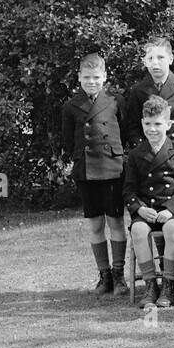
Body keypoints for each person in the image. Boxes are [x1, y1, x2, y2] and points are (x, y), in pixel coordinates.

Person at [61, 53, 128, 296]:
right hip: (87, 170)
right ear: (79, 77)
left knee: (116, 221)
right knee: (96, 224)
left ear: (105, 77)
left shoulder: (116, 100)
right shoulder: (70, 106)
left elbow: (126, 132)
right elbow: (68, 141)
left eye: (96, 77)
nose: (92, 82)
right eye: (87, 77)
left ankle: (120, 276)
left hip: (112, 167)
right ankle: (104, 275)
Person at [124, 96, 174, 307]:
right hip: (147, 208)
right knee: (138, 231)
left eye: (158, 124)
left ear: (168, 124)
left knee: (171, 229)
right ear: (141, 123)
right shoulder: (136, 154)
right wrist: (139, 208)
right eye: (148, 124)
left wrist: (169, 209)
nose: (152, 129)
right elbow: (128, 190)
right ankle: (150, 284)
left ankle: (168, 283)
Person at [124, 37, 174, 152]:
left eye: (160, 57)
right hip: (149, 155)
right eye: (150, 58)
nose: (155, 62)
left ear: (170, 59)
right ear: (145, 62)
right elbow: (132, 125)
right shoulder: (138, 90)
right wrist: (140, 148)